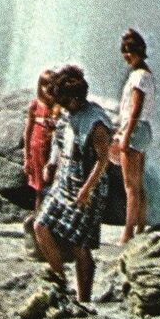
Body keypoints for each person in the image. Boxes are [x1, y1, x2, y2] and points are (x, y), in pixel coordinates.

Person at [33, 64, 113, 302]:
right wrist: (51, 163)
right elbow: (59, 141)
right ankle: (61, 280)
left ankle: (84, 298)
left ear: (77, 97)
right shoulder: (67, 113)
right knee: (41, 226)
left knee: (80, 244)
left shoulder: (96, 121)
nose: (63, 106)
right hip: (64, 181)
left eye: (66, 100)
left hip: (88, 186)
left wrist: (87, 190)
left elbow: (103, 159)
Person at [113, 29, 155, 243]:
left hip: (135, 128)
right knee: (138, 183)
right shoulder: (146, 73)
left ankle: (127, 232)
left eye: (130, 51)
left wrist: (125, 135)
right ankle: (140, 224)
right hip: (144, 129)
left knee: (129, 185)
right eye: (124, 52)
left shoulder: (139, 77)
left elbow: (135, 107)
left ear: (139, 51)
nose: (126, 56)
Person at [22, 69, 58, 206]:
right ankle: (37, 218)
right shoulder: (35, 105)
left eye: (51, 85)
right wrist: (26, 157)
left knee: (53, 185)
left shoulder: (58, 107)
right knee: (40, 188)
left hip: (52, 151)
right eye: (44, 85)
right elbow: (28, 132)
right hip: (37, 151)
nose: (47, 89)